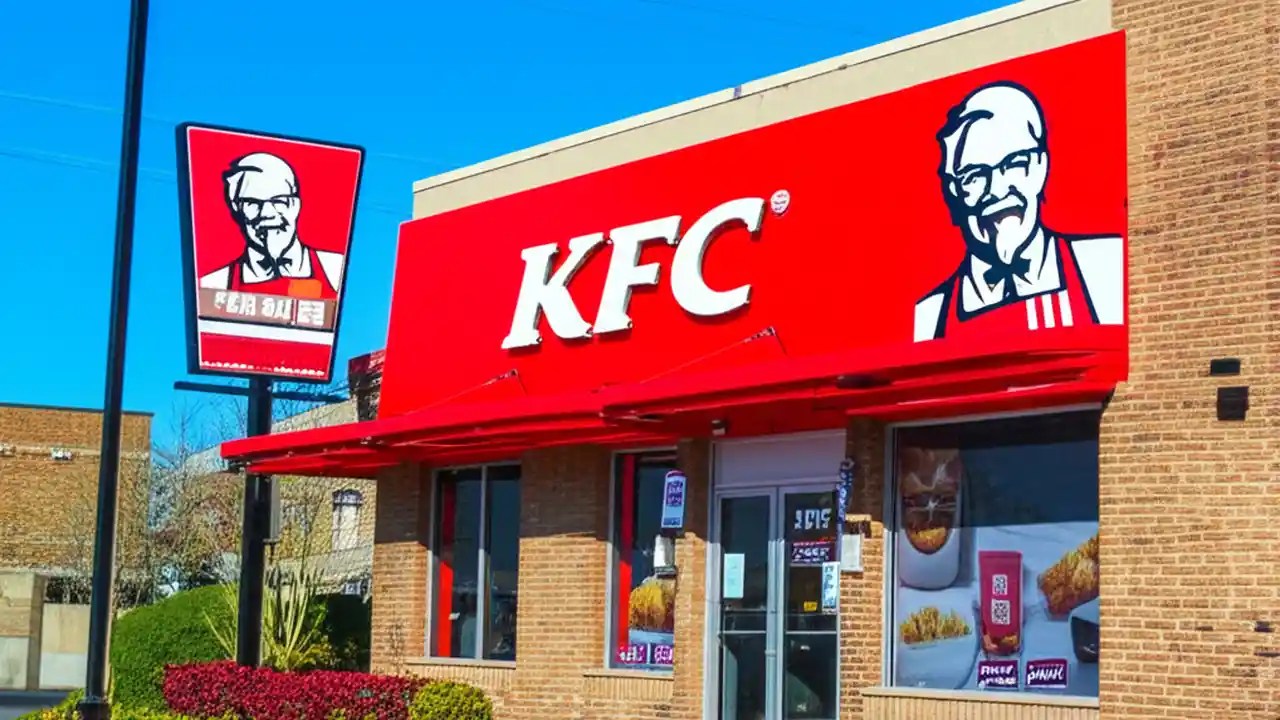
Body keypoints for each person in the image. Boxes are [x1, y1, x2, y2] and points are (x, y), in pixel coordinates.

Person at [913, 82, 1122, 342]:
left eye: (1014, 164)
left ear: (1040, 167)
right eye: (974, 176)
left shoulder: (1104, 264)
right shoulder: (930, 315)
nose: (997, 190)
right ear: (954, 191)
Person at [199, 152, 344, 299]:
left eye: (279, 201)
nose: (267, 213)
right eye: (252, 203)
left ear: (296, 205)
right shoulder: (212, 286)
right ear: (236, 209)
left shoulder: (337, 269)